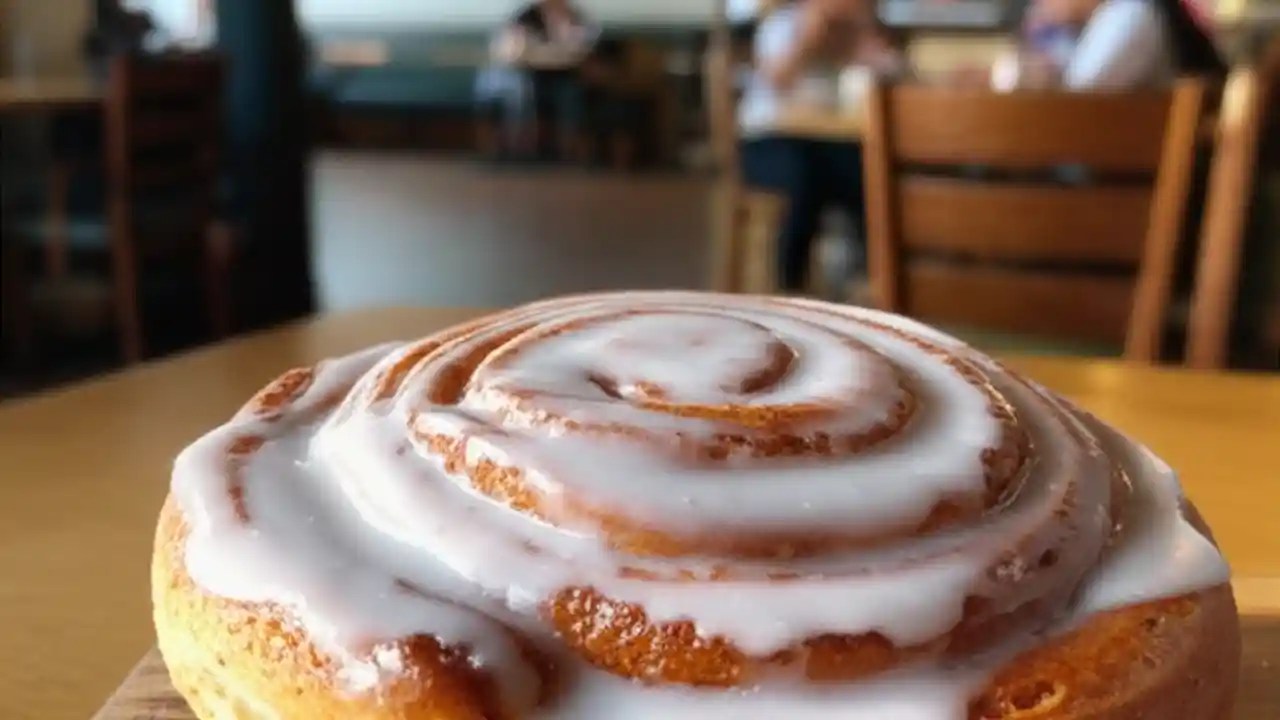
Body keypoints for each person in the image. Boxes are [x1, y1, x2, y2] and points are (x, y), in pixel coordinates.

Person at [737, 0, 899, 292]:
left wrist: (866, 43)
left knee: (871, 175)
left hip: (828, 141)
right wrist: (807, 39)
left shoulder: (854, 33)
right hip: (769, 141)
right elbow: (776, 79)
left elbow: (887, 74)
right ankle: (790, 284)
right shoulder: (783, 24)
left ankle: (872, 278)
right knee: (803, 180)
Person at [480, 0, 600, 161]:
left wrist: (560, 36)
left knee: (570, 94)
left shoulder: (576, 17)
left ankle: (568, 150)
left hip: (566, 75)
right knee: (521, 92)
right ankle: (520, 149)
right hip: (530, 74)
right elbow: (514, 50)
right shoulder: (526, 17)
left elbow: (582, 49)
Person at [1018, 0, 1224, 89]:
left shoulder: (1128, 15)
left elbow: (1079, 101)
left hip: (1129, 161)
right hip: (1108, 156)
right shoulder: (1100, 21)